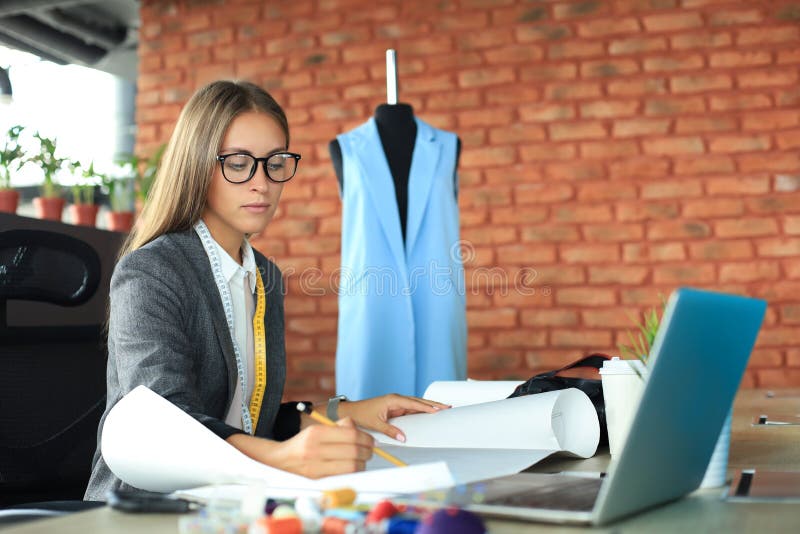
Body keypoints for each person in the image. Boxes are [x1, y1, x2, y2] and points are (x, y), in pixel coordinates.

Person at [84, 80, 447, 501]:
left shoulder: (264, 276)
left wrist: (345, 413)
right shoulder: (152, 271)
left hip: (234, 496)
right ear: (198, 164)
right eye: (239, 163)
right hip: (143, 506)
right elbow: (170, 423)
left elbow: (252, 415)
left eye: (275, 163)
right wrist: (284, 459)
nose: (262, 183)